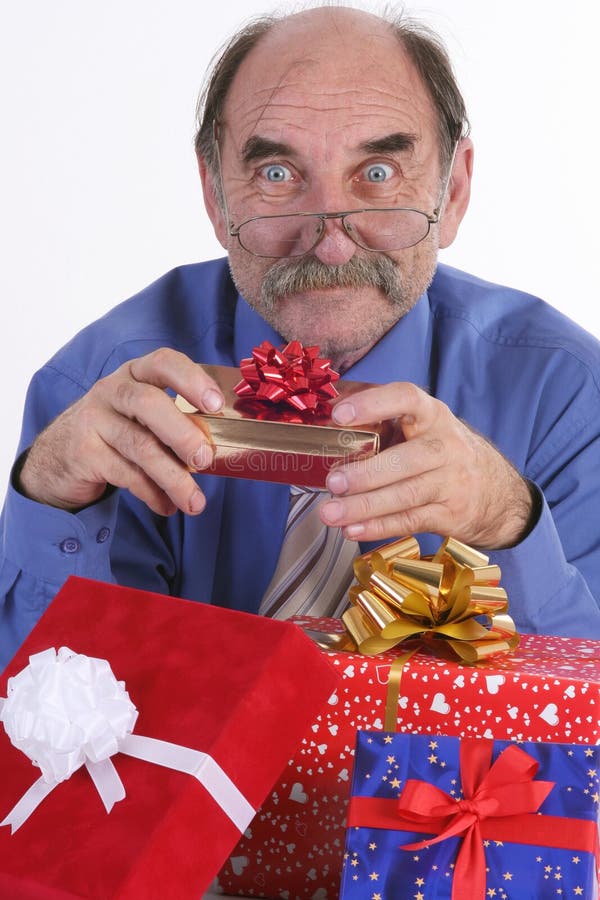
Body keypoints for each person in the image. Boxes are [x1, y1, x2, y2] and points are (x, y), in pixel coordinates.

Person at [1, 5, 599, 668]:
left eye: (377, 174)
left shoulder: (568, 397)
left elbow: (584, 735)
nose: (333, 245)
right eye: (278, 176)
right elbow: (52, 730)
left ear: (452, 192)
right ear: (214, 196)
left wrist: (509, 520)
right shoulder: (101, 386)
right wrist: (50, 491)